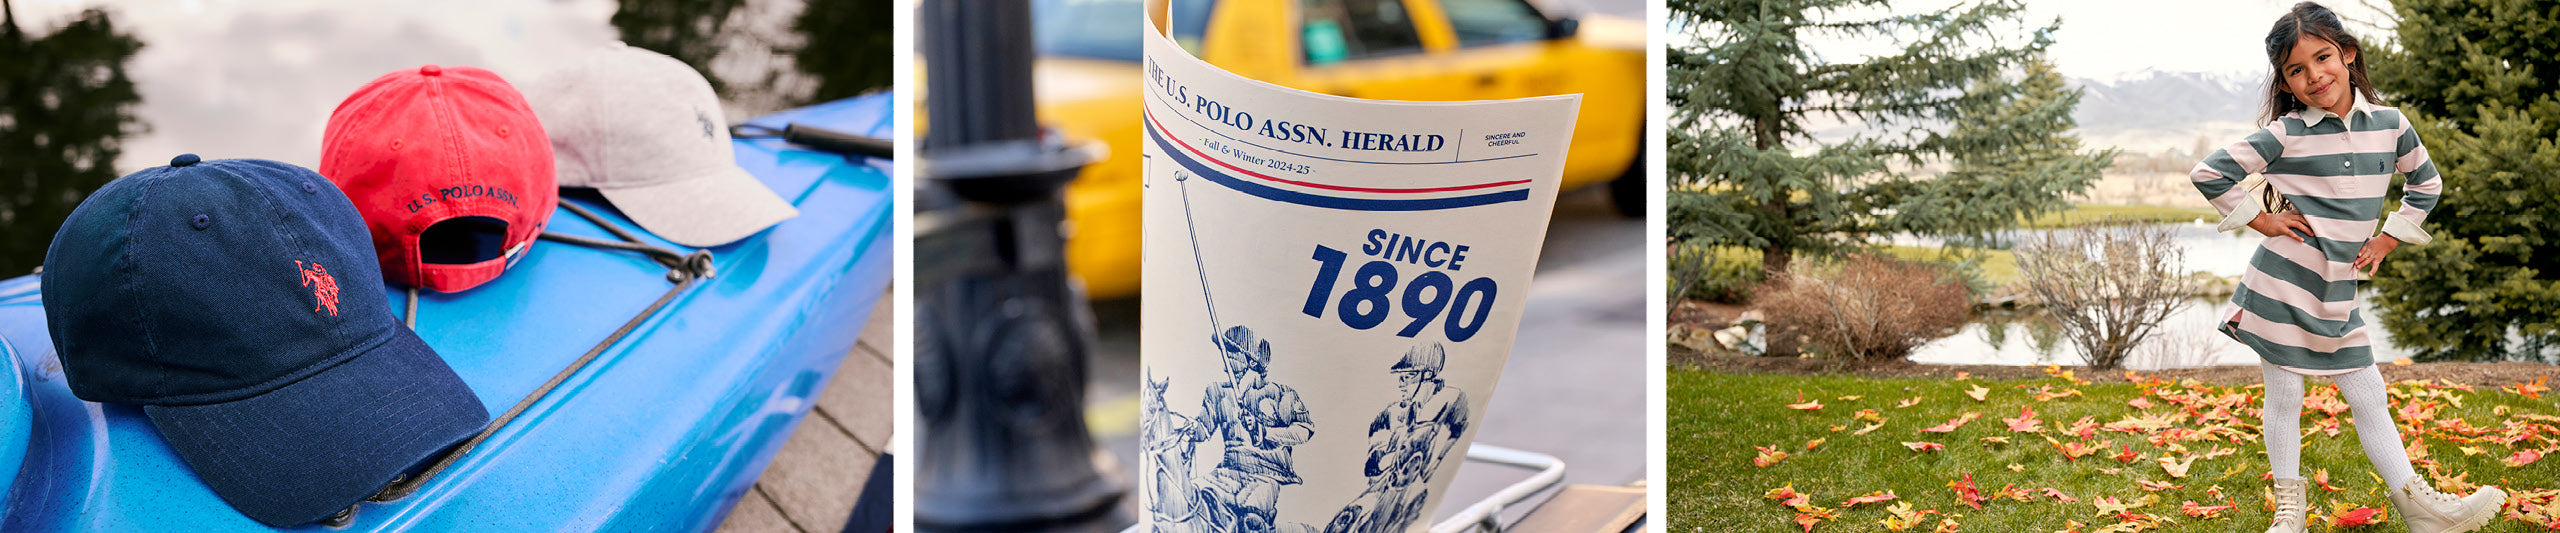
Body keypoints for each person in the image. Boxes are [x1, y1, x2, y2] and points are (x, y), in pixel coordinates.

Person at [2188, 4, 2505, 533]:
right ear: (2285, 82)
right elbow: (2208, 172)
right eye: (2296, 69)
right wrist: (2263, 221)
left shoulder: (2391, 124)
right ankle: (2289, 517)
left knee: (2369, 394)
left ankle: (2421, 511)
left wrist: (2388, 238)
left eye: (2323, 57)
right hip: (2282, 286)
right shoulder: (2286, 133)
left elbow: (2426, 183)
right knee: (2284, 396)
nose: (2315, 76)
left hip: (2338, 291)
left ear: (2348, 54)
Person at [1327, 342, 1470, 533]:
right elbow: (1372, 465)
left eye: (1408, 376)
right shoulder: (1391, 413)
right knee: (1348, 519)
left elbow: (1449, 445)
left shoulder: (1453, 401)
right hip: (1383, 490)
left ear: (1427, 375)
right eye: (1400, 377)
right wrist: (1394, 456)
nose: (1401, 383)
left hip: (1412, 495)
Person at [1184, 326, 1314, 532]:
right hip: (1226, 474)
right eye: (1224, 349)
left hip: (1265, 477)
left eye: (1232, 351)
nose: (1225, 355)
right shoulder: (1216, 392)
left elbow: (1304, 430)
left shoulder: (1279, 392)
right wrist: (1185, 427)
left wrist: (1264, 432)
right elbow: (1201, 432)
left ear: (1252, 361)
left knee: (1252, 522)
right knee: (1188, 501)